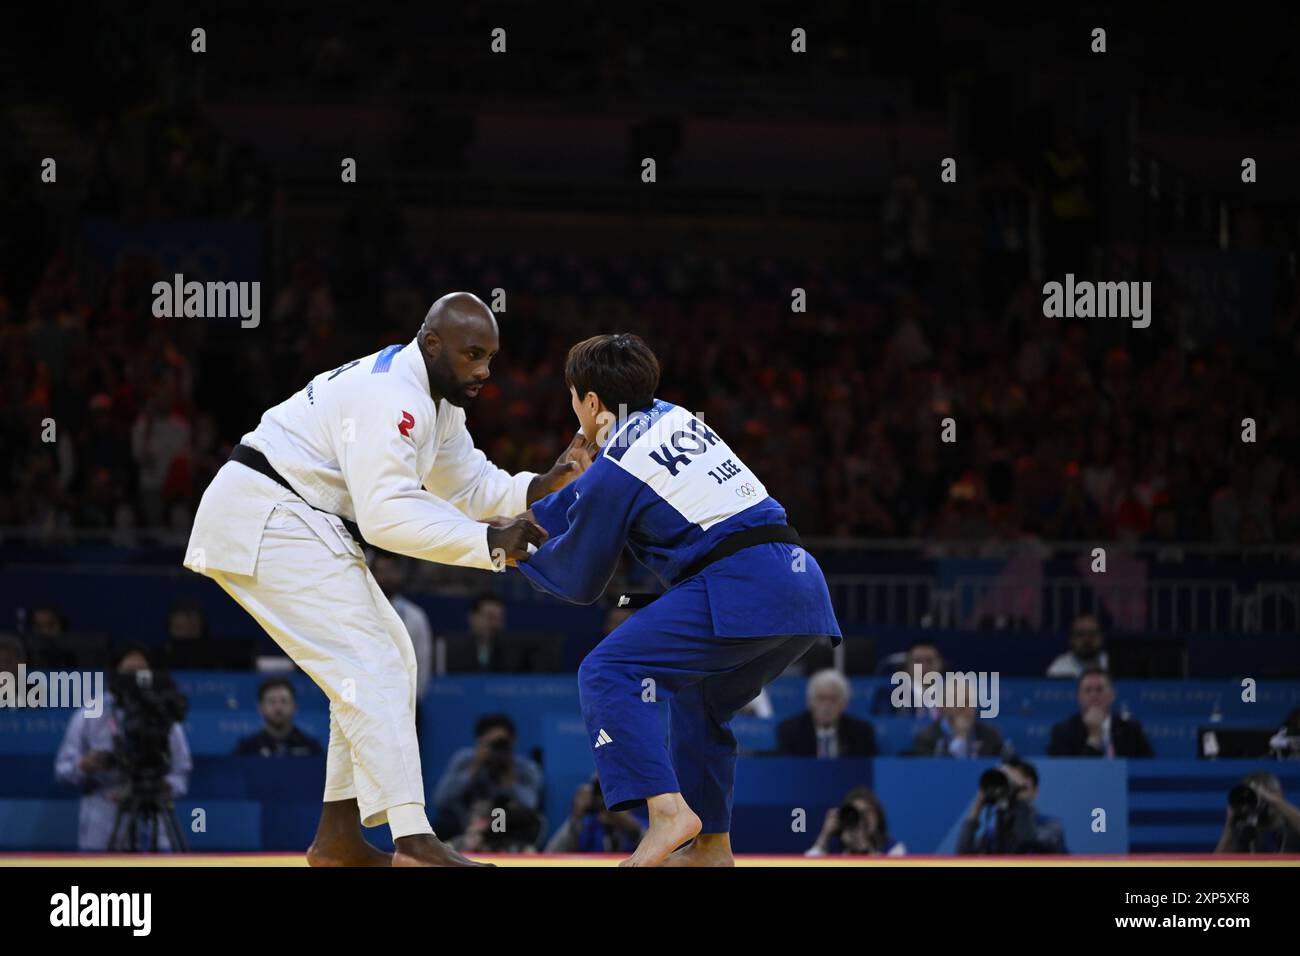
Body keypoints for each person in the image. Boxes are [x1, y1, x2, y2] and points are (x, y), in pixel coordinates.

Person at [182, 292, 588, 867]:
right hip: (269, 513)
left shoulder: (436, 403)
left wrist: (541, 486)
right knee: (371, 662)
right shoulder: (390, 397)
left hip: (300, 518)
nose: (484, 371)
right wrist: (489, 543)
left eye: (491, 358)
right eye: (473, 354)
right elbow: (386, 517)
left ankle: (339, 839)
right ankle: (413, 837)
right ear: (432, 343)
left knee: (387, 658)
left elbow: (468, 486)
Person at [515, 333, 842, 866]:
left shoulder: (617, 464)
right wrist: (513, 517)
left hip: (740, 584)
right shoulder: (677, 418)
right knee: (701, 699)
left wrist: (512, 553)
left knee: (606, 671)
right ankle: (711, 846)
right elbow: (567, 503)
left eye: (573, 397)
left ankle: (667, 812)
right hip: (801, 585)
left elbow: (580, 580)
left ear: (590, 402)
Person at [54, 645, 193, 851]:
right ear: (115, 674)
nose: (135, 680)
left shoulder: (163, 715)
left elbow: (181, 773)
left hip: (154, 808)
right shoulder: (92, 713)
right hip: (103, 815)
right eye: (128, 673)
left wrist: (163, 786)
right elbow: (62, 771)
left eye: (141, 673)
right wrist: (83, 766)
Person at [431, 713, 543, 839]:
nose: (497, 749)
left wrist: (510, 780)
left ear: (513, 741)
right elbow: (441, 800)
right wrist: (474, 769)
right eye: (492, 744)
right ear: (479, 742)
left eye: (502, 744)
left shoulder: (525, 769)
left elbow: (530, 807)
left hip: (505, 826)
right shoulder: (465, 761)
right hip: (466, 825)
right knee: (445, 823)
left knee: (530, 823)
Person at [956, 758, 1066, 855]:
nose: (1012, 790)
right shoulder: (995, 834)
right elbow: (963, 855)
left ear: (1034, 792)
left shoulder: (1052, 827)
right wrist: (977, 806)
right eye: (1009, 784)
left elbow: (1027, 838)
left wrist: (1020, 797)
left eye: (1022, 785)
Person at [1046, 669, 1154, 758]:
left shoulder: (1131, 730)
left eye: (1099, 689)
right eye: (1088, 690)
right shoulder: (1063, 732)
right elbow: (1067, 775)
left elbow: (1147, 768)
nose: (1094, 696)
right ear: (1078, 697)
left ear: (1112, 695)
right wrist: (1094, 738)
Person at [370, 552, 433, 701]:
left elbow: (423, 659)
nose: (386, 577)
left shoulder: (415, 616)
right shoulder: (360, 612)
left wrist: (415, 698)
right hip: (368, 700)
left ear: (399, 574)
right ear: (372, 575)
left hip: (405, 700)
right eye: (381, 572)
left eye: (391, 571)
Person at [776, 669, 877, 758]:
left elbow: (865, 771)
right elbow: (788, 770)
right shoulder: (790, 731)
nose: (826, 706)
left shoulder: (861, 732)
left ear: (844, 703)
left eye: (833, 699)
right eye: (821, 698)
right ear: (809, 702)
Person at [545, 775, 645, 853]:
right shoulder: (587, 827)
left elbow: (656, 852)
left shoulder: (641, 825)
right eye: (602, 792)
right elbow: (550, 855)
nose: (608, 798)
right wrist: (576, 816)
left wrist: (631, 827)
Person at [1214, 771, 1300, 853]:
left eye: (1270, 792)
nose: (1263, 797)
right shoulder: (1244, 829)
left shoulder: (1292, 824)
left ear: (1280, 795)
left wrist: (1275, 802)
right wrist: (1229, 824)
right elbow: (1216, 864)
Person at [234, 678, 324, 756]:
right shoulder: (247, 748)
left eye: (284, 701)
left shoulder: (312, 747)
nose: (278, 708)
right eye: (271, 701)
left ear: (295, 707)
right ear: (260, 708)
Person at [806, 787, 905, 856]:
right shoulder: (833, 849)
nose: (861, 820)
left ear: (878, 816)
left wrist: (864, 851)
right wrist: (824, 837)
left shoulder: (893, 849)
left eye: (866, 812)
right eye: (856, 813)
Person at [909, 703, 1005, 758]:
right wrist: (960, 736)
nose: (964, 708)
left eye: (969, 702)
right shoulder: (925, 738)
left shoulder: (990, 736)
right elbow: (926, 774)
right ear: (943, 707)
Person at [1046, 613, 1108, 678]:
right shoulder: (1058, 670)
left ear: (1101, 637)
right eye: (1080, 634)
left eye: (1092, 634)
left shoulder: (1114, 666)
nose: (1087, 639)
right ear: (1071, 639)